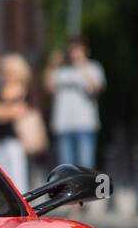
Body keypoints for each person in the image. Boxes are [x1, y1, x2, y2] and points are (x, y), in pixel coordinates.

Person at [44, 36, 105, 167]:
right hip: (63, 125)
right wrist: (52, 64)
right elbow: (48, 88)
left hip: (85, 125)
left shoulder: (94, 67)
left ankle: (86, 189)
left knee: (86, 166)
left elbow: (96, 88)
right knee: (66, 168)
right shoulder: (61, 70)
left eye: (78, 50)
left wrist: (82, 66)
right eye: (72, 50)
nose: (74, 54)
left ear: (85, 51)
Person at [0, 53, 34, 187]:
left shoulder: (23, 90)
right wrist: (5, 110)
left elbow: (15, 112)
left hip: (14, 142)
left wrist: (1, 110)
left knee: (17, 182)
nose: (4, 75)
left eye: (8, 71)